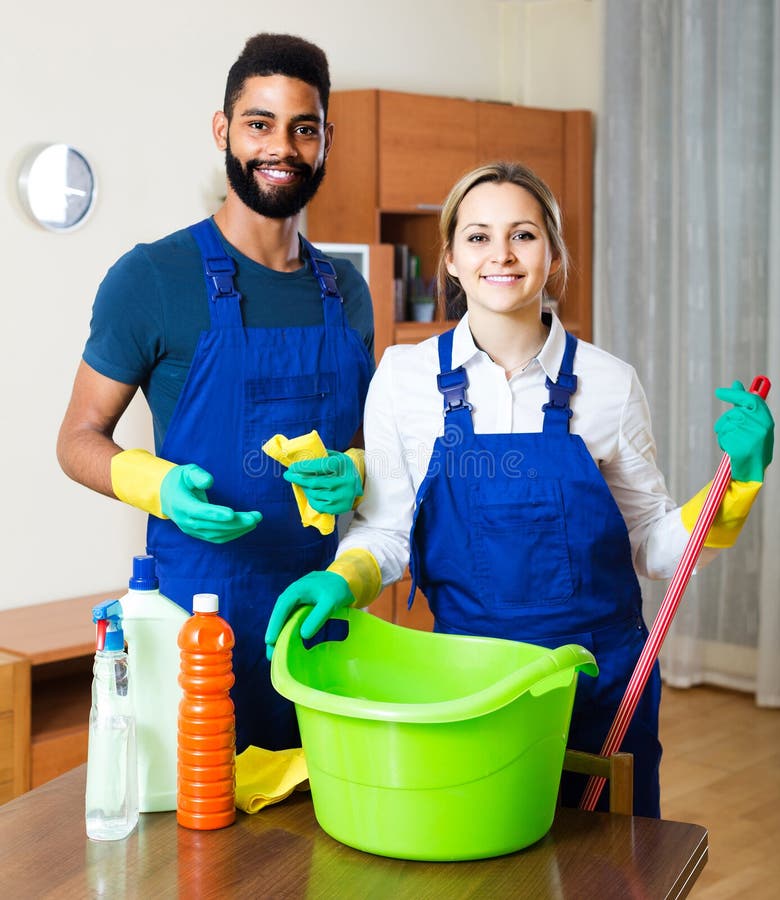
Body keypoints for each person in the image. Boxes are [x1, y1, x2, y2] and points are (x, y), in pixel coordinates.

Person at [265, 161, 774, 817]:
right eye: (477, 237)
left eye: (523, 235)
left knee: (609, 878)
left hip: (598, 694)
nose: (499, 255)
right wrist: (345, 578)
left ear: (553, 253)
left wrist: (740, 482)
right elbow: (389, 531)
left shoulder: (610, 384)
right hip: (471, 690)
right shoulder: (404, 378)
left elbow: (654, 546)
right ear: (449, 257)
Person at [57, 33, 375, 753]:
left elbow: (369, 442)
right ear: (223, 129)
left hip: (320, 612)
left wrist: (355, 470)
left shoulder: (346, 292)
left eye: (304, 127)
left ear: (326, 139)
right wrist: (157, 487)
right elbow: (76, 439)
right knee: (201, 834)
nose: (281, 146)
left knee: (326, 834)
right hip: (200, 616)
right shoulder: (152, 278)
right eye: (259, 123)